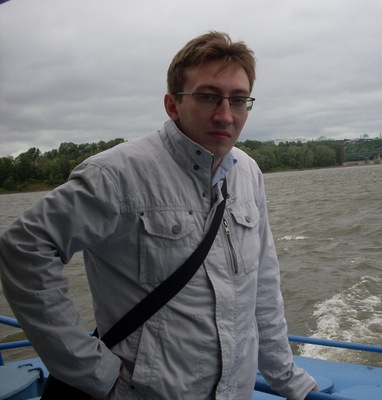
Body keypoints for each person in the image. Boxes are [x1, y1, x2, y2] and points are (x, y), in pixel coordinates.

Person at [0, 31, 317, 400]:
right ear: (172, 104)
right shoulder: (117, 175)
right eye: (207, 97)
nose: (225, 115)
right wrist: (96, 373)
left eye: (238, 100)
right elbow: (24, 247)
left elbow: (262, 286)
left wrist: (287, 379)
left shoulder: (248, 174)